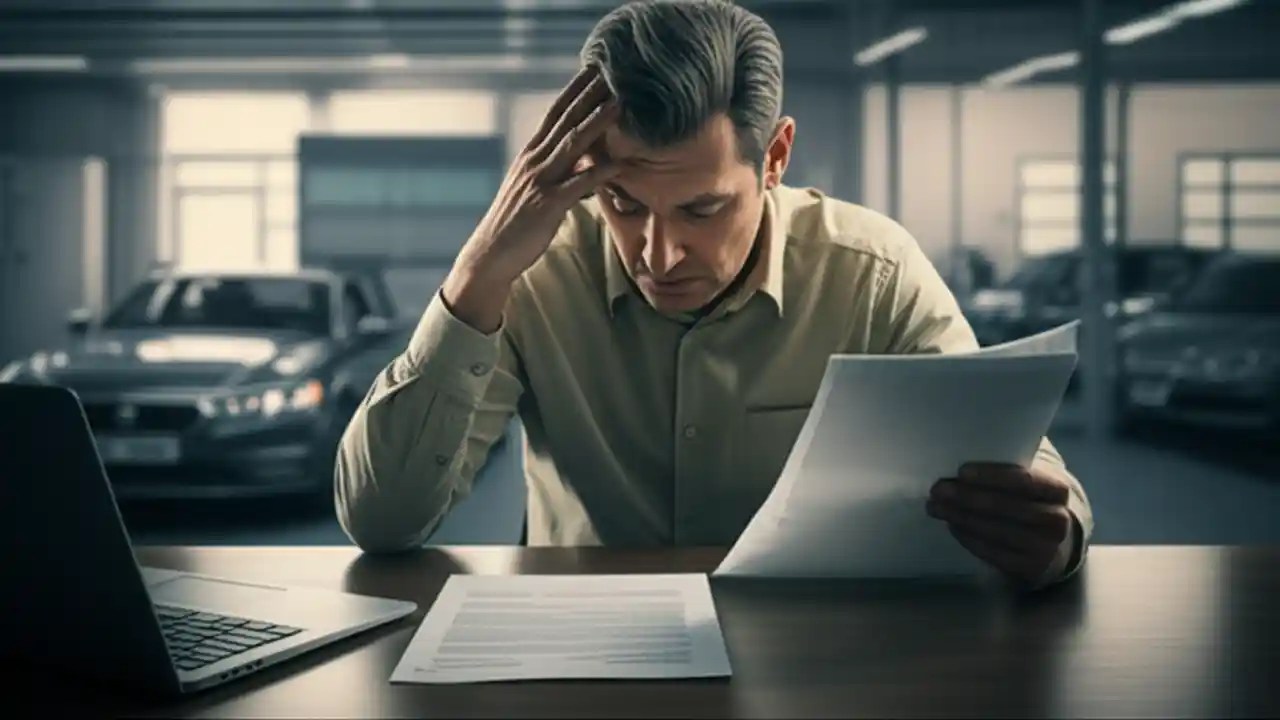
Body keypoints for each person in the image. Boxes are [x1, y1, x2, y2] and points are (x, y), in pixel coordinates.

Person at [335, 0, 1093, 589]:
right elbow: (382, 521)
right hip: (579, 662)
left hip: (813, 663)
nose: (657, 256)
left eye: (701, 209)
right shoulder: (534, 274)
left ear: (775, 158)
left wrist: (1054, 534)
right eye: (624, 204)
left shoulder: (874, 272)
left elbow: (1026, 465)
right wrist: (478, 274)